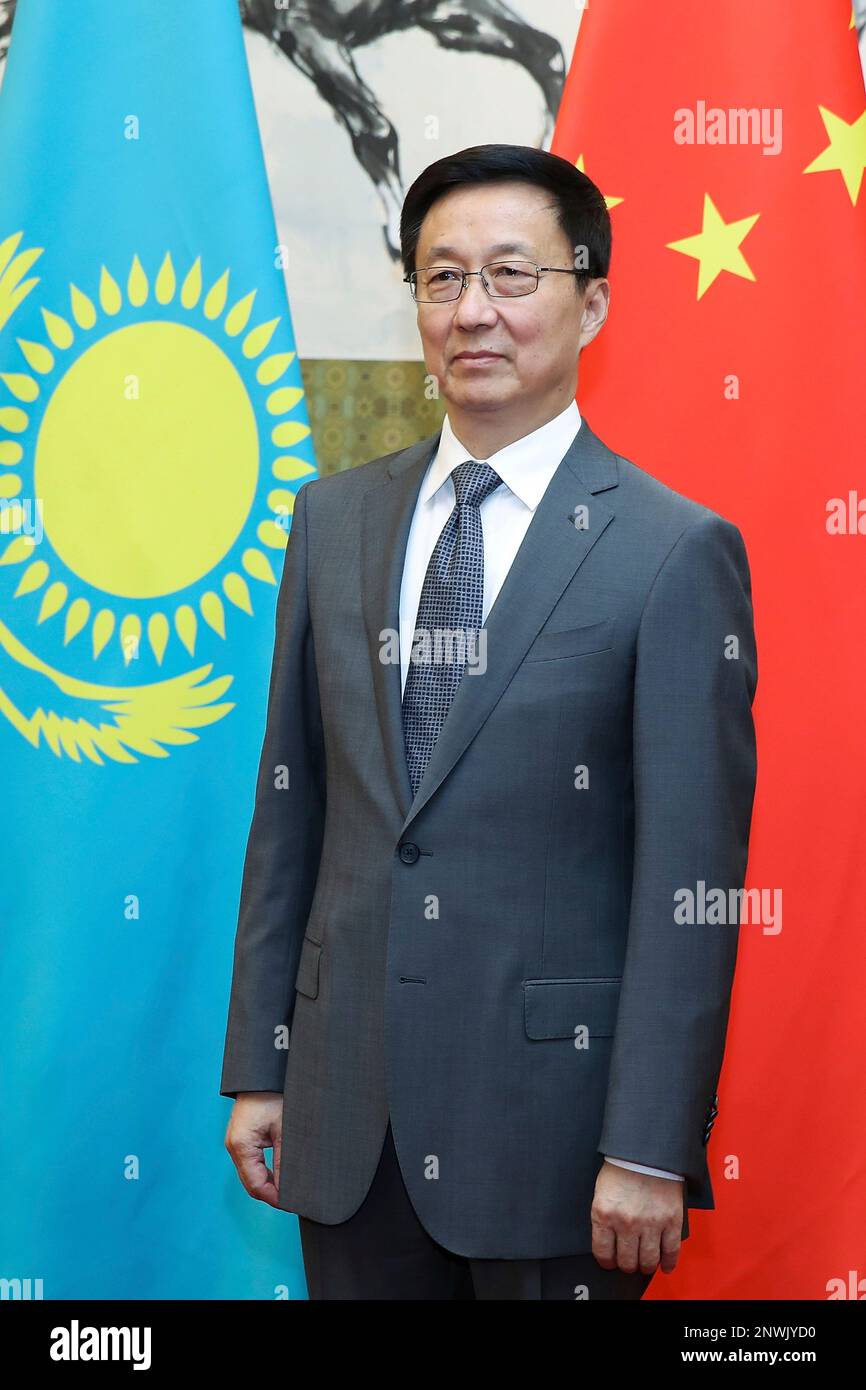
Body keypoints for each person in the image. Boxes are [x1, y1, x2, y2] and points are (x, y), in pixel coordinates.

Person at [220, 144, 758, 1301]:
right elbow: (293, 815)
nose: (473, 310)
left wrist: (649, 1142)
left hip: (557, 1143)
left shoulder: (670, 551)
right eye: (440, 276)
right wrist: (262, 1067)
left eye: (511, 275)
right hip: (343, 1119)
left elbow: (688, 879)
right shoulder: (333, 521)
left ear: (591, 299)